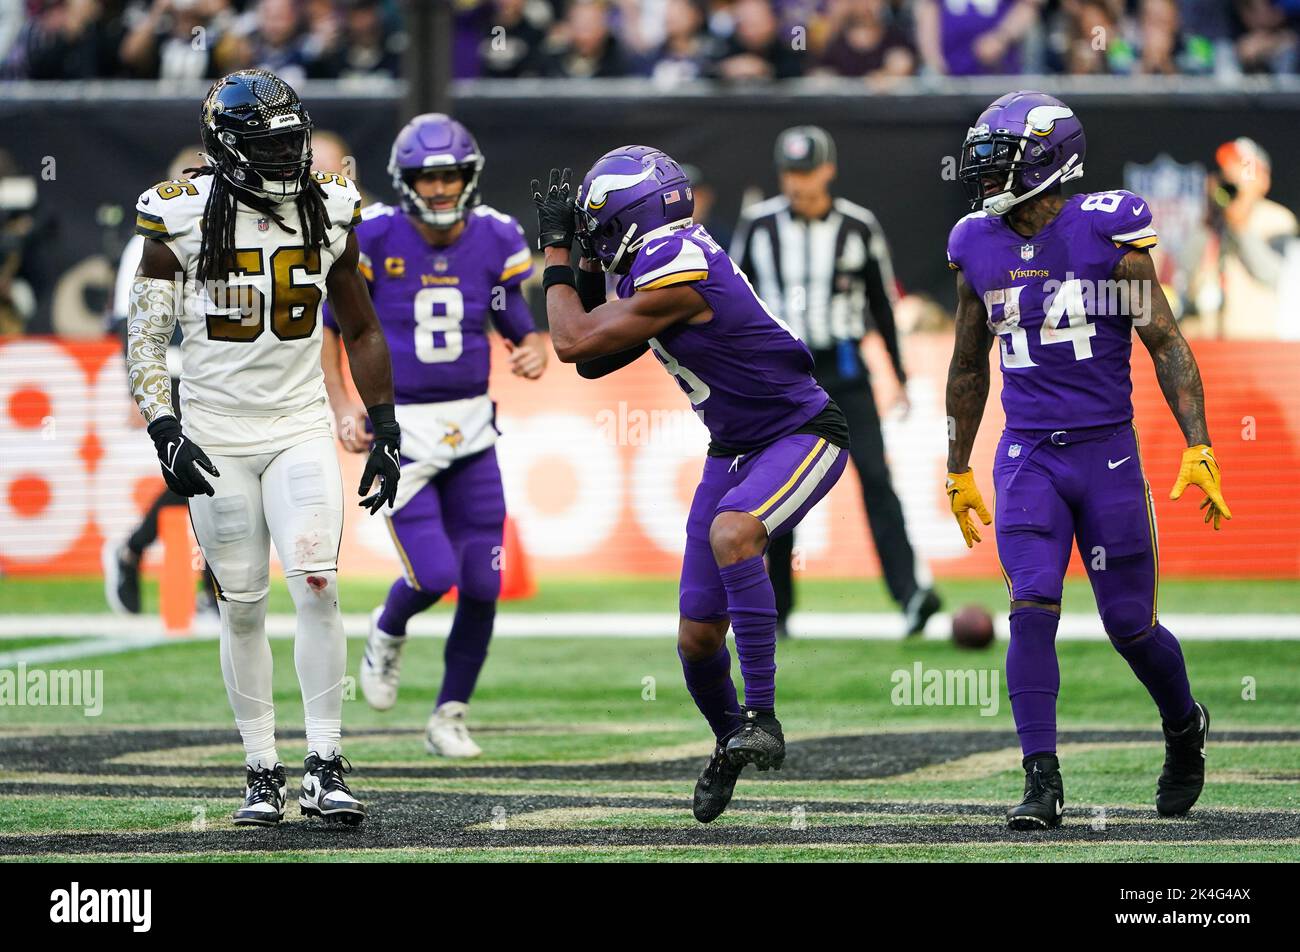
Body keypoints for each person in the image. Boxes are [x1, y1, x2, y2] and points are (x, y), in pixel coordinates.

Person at [532, 150, 849, 824]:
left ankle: (762, 714)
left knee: (734, 531)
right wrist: (584, 263)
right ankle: (730, 735)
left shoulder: (679, 266)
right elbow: (594, 361)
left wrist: (558, 252)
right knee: (698, 638)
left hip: (802, 431)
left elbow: (571, 341)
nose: (594, 238)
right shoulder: (668, 256)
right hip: (734, 447)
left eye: (598, 227)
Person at [944, 90, 1229, 829]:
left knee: (1130, 625)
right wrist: (958, 464)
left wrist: (1198, 442)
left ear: (1046, 161)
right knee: (1031, 606)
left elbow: (1163, 341)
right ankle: (1042, 782)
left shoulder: (1109, 233)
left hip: (1105, 453)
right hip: (1028, 454)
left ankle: (1182, 726)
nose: (983, 175)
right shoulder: (975, 241)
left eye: (997, 159)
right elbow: (968, 365)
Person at [126, 68, 401, 827]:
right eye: (268, 146)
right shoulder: (177, 213)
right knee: (242, 606)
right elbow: (148, 333)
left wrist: (385, 426)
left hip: (297, 423)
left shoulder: (332, 204)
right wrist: (163, 425)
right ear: (227, 149)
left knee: (317, 581)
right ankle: (259, 769)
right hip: (216, 429)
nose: (287, 159)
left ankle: (323, 761)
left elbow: (363, 327)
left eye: (291, 142)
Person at [325, 114, 547, 758]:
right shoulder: (374, 236)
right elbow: (334, 330)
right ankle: (386, 628)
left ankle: (450, 713)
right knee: (433, 573)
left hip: (473, 427)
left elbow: (507, 308)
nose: (444, 187)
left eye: (453, 174)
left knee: (483, 580)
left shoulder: (496, 235)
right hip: (403, 433)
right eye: (431, 175)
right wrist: (343, 401)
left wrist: (526, 343)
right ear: (407, 179)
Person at [732, 126, 940, 637]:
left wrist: (899, 373)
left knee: (874, 476)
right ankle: (776, 609)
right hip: (779, 375)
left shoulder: (858, 225)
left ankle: (912, 595)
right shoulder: (758, 227)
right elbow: (735, 304)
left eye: (806, 172)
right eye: (789, 173)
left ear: (828, 170)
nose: (798, 184)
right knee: (777, 490)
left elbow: (881, 306)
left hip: (844, 370)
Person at [104, 144, 219, 617]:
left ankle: (195, 575)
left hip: (217, 368)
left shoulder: (234, 229)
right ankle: (153, 557)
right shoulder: (151, 235)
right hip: (170, 368)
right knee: (198, 470)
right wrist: (136, 387)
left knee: (219, 471)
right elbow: (125, 320)